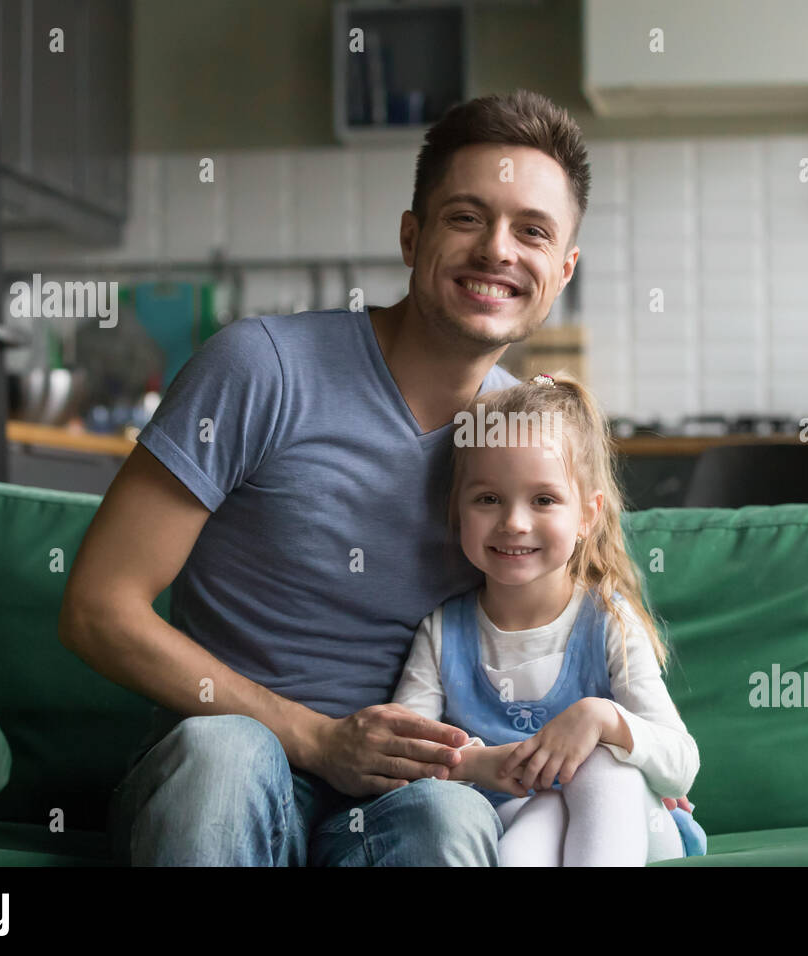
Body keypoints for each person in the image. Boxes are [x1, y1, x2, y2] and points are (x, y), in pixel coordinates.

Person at [58, 90, 592, 865]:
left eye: (532, 231)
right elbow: (96, 608)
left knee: (450, 818)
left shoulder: (526, 444)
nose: (497, 251)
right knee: (223, 759)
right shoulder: (260, 367)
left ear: (563, 269)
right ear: (412, 237)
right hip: (234, 771)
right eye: (466, 217)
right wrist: (314, 738)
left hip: (404, 798)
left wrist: (632, 752)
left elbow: (580, 637)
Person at [392, 373, 702, 865]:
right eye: (488, 498)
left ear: (587, 516)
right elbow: (403, 765)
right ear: (457, 511)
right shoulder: (442, 634)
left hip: (635, 827)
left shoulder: (609, 623)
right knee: (538, 819)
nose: (514, 522)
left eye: (543, 500)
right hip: (518, 833)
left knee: (599, 763)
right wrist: (478, 763)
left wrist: (601, 717)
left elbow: (681, 764)